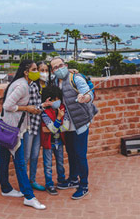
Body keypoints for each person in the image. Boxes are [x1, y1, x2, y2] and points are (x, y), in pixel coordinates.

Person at [0, 60, 48, 209]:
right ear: (26, 72)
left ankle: (6, 188)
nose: (37, 72)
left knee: (4, 158)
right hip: (13, 129)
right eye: (34, 69)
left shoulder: (21, 83)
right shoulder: (23, 86)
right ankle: (29, 196)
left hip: (5, 127)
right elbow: (7, 105)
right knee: (20, 163)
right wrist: (27, 108)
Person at [50, 56, 95, 200]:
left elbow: (89, 93)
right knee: (71, 152)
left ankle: (84, 185)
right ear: (52, 71)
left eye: (60, 65)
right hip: (66, 125)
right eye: (55, 67)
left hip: (80, 123)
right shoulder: (54, 82)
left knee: (80, 154)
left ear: (65, 65)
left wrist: (84, 98)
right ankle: (73, 179)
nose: (59, 69)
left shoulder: (75, 78)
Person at [23, 61, 49, 192]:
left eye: (46, 70)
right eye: (41, 70)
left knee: (34, 155)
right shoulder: (32, 86)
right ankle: (23, 183)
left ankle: (32, 180)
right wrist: (44, 106)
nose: (44, 73)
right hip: (30, 126)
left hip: (39, 126)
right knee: (26, 156)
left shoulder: (47, 85)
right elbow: (33, 109)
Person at [39, 84, 68, 195]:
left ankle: (61, 180)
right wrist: (59, 118)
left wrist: (53, 128)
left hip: (59, 142)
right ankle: (49, 184)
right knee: (48, 165)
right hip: (48, 143)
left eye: (58, 99)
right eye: (54, 100)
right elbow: (53, 129)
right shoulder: (45, 113)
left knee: (60, 163)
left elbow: (65, 127)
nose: (57, 102)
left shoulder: (62, 108)